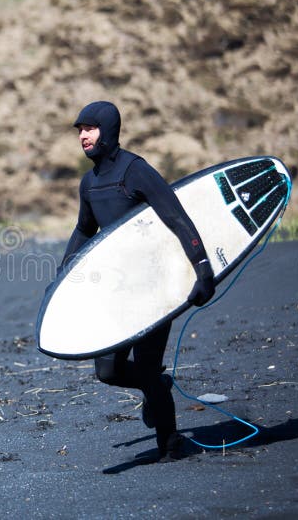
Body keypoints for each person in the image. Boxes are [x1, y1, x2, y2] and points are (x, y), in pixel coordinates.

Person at [60, 101, 215, 462]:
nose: (83, 135)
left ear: (109, 131)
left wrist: (203, 268)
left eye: (91, 128)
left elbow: (176, 218)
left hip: (154, 288)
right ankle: (157, 385)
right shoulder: (90, 182)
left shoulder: (136, 171)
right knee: (108, 370)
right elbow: (84, 229)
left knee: (145, 365)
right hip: (117, 292)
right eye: (80, 129)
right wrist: (64, 274)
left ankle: (171, 443)